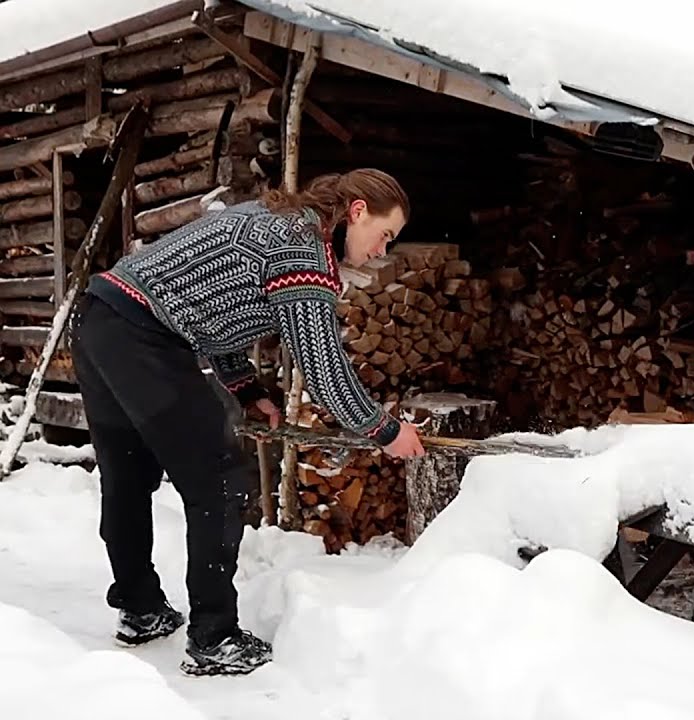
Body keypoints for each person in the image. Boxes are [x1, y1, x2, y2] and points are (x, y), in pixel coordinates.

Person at [67, 168, 426, 676]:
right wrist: (385, 431)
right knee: (217, 481)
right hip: (142, 337)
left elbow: (219, 306)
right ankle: (214, 638)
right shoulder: (304, 248)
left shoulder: (277, 221)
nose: (382, 251)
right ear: (358, 211)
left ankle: (140, 607)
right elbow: (322, 368)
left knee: (128, 474)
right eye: (384, 235)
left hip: (100, 316)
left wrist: (246, 388)